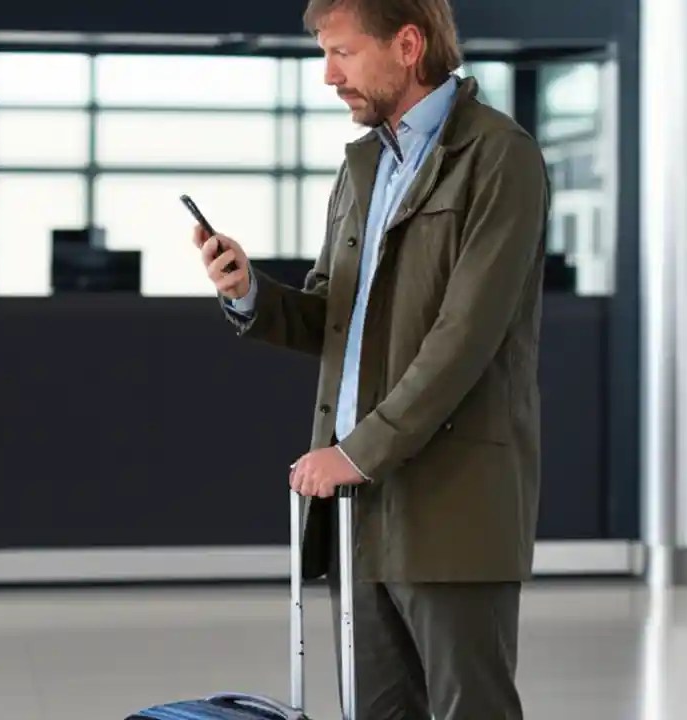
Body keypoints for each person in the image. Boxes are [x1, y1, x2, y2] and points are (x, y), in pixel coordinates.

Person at [191, 0, 548, 717]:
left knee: (468, 706)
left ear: (408, 45)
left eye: (344, 53)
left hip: (453, 503)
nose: (329, 75)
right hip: (358, 511)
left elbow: (464, 336)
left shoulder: (499, 157)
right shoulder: (363, 168)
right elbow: (335, 317)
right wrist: (249, 292)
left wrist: (356, 453)